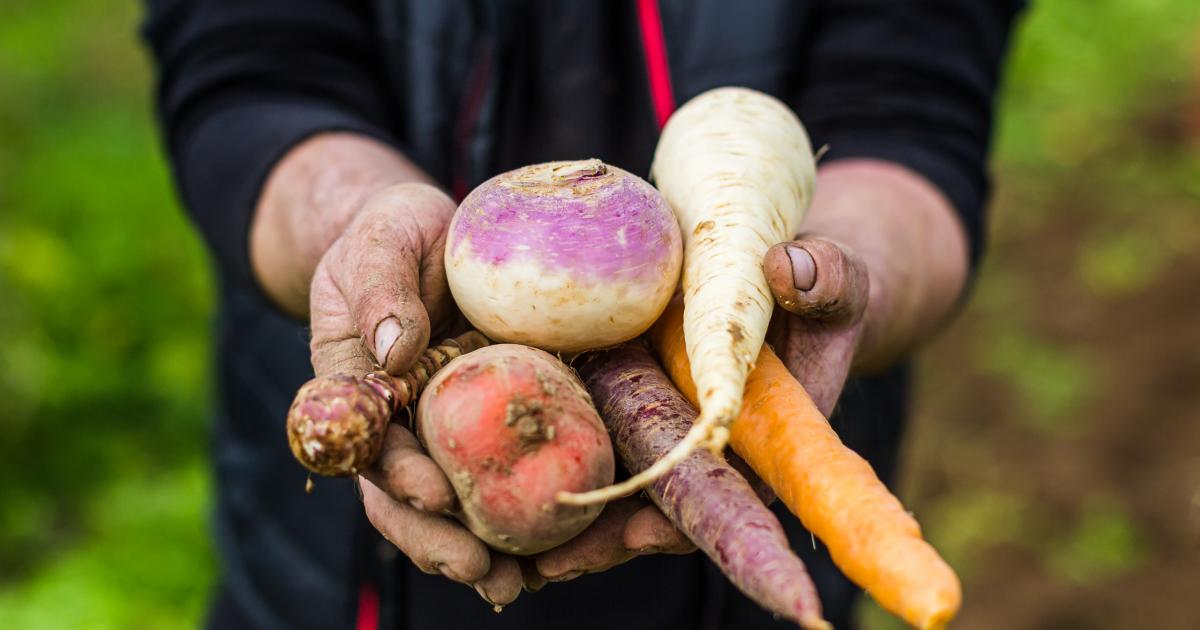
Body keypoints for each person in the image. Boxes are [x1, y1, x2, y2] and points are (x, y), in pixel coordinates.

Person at [143, 1, 1024, 628]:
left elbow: (911, 117)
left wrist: (842, 269)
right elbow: (249, 72)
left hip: (737, 540)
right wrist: (357, 223)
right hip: (329, 584)